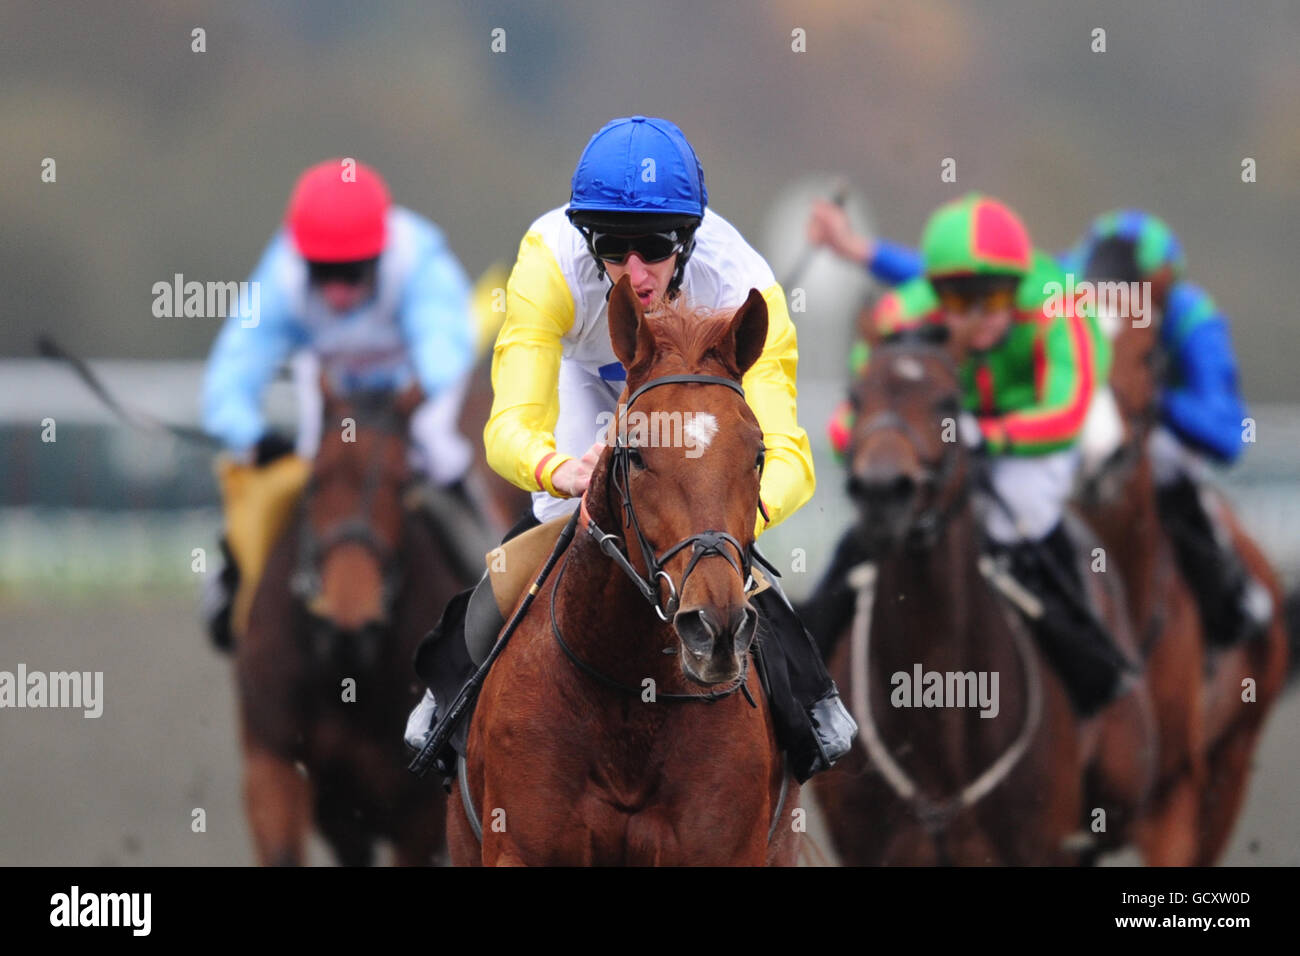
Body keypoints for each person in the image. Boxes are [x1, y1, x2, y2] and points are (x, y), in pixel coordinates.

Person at [406, 116, 856, 783]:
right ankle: (445, 696)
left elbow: (789, 454)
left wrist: (725, 514)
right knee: (555, 526)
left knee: (719, 549)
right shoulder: (549, 262)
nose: (634, 274)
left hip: (690, 419)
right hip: (585, 388)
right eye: (614, 249)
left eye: (653, 247)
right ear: (588, 239)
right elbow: (508, 428)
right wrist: (559, 469)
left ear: (690, 240)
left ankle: (812, 703)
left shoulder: (745, 290)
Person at [804, 192, 1135, 716]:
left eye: (996, 298)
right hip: (939, 428)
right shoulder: (898, 314)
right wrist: (881, 455)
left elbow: (1065, 415)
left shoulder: (1060, 305)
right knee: (882, 517)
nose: (980, 317)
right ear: (935, 293)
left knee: (1019, 514)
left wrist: (987, 436)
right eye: (960, 302)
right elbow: (849, 422)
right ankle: (805, 661)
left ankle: (1088, 652)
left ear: (1019, 286)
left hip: (1038, 428)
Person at [199, 158, 482, 650]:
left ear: (379, 254)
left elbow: (445, 347)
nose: (337, 292)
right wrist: (254, 435)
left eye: (351, 273)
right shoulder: (282, 275)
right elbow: (230, 377)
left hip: (411, 390)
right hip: (336, 391)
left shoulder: (417, 259)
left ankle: (489, 566)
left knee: (439, 453)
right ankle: (233, 584)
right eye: (323, 273)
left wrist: (413, 397)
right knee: (311, 467)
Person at [1066, 209, 1272, 644]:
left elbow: (1229, 436)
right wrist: (878, 256)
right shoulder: (1068, 282)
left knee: (1166, 468)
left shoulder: (1192, 317)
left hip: (1160, 438)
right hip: (1087, 427)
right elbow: (978, 278)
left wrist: (1156, 400)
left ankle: (1232, 594)